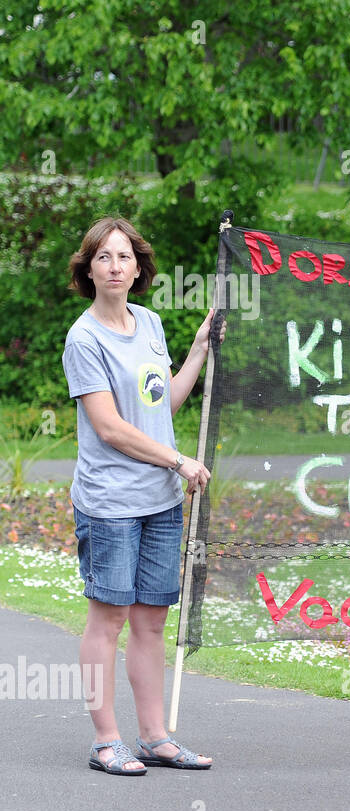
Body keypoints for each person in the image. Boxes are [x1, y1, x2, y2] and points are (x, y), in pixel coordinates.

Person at [63, 217, 223, 775]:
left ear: (137, 267)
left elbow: (161, 409)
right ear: (88, 269)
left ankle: (155, 737)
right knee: (107, 618)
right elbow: (109, 427)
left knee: (151, 620)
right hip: (110, 502)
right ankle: (106, 740)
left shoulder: (151, 323)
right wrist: (178, 460)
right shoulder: (84, 338)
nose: (114, 266)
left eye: (123, 257)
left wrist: (198, 352)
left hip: (159, 500)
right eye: (102, 257)